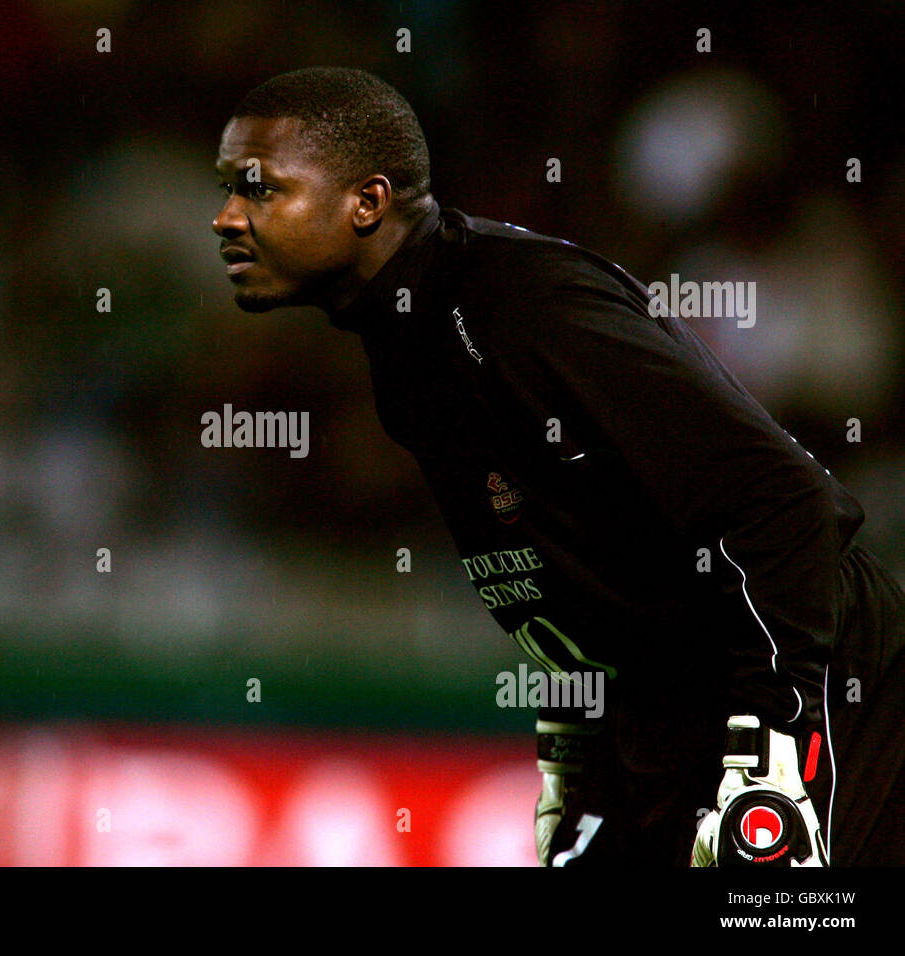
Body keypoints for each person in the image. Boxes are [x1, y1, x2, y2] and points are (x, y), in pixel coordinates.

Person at [210, 66, 905, 866]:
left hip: (813, 686)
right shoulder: (405, 347)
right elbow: (568, 577)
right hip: (664, 715)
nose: (227, 218)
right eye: (229, 188)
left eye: (259, 190)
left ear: (366, 203)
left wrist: (776, 749)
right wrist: (579, 757)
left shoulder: (518, 306)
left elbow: (784, 500)